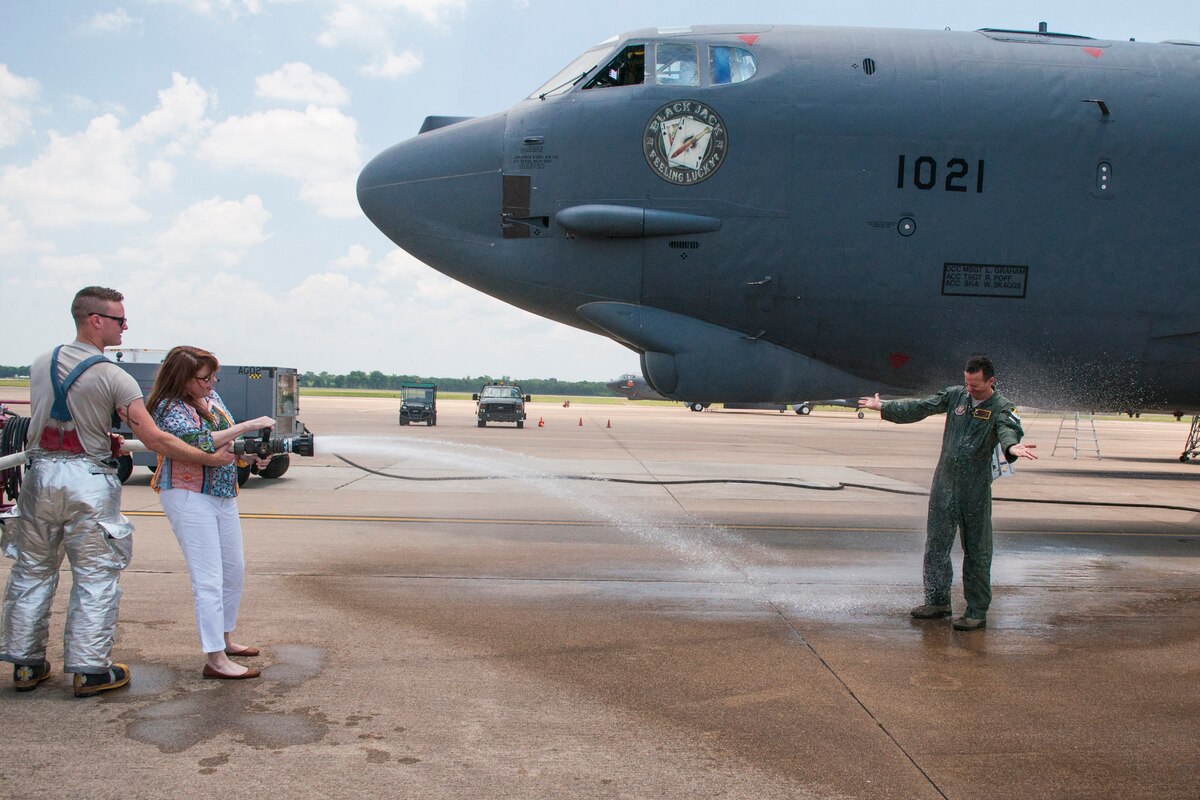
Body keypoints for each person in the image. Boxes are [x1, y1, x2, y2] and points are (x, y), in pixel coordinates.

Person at [1, 287, 236, 697]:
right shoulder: (113, 375)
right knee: (95, 575)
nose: (125, 327)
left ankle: (26, 665)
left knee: (31, 571)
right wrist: (210, 459)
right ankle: (90, 670)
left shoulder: (41, 363)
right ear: (95, 320)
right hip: (86, 481)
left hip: (38, 479)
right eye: (119, 320)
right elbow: (156, 439)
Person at [858, 356, 1037, 631]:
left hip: (974, 490)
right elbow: (921, 407)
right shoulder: (956, 396)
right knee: (936, 546)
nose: (970, 389)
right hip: (944, 484)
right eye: (967, 383)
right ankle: (938, 602)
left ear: (991, 381)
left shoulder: (1002, 408)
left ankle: (976, 610)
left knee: (977, 551)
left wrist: (1012, 448)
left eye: (976, 386)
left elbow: (1008, 430)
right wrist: (883, 407)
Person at [146, 346, 274, 680]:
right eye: (204, 378)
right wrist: (245, 426)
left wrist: (251, 457)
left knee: (234, 571)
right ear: (182, 379)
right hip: (189, 494)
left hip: (222, 492)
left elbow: (228, 446)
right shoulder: (166, 407)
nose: (211, 382)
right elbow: (198, 441)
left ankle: (226, 638)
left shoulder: (212, 398)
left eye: (212, 376)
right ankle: (215, 658)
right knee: (208, 579)